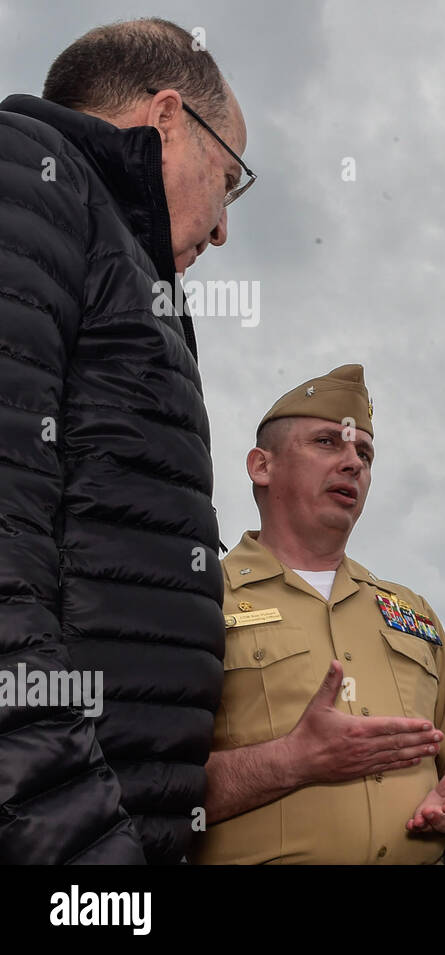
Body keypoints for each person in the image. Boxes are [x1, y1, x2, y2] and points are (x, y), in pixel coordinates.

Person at [0, 19, 251, 864]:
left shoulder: (123, 261)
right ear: (169, 118)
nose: (222, 230)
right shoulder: (27, 180)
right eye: (230, 179)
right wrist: (81, 847)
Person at [192, 365, 445, 864]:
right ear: (261, 466)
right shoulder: (199, 600)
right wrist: (293, 761)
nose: (353, 464)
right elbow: (145, 787)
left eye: (364, 453)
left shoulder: (411, 611)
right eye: (326, 443)